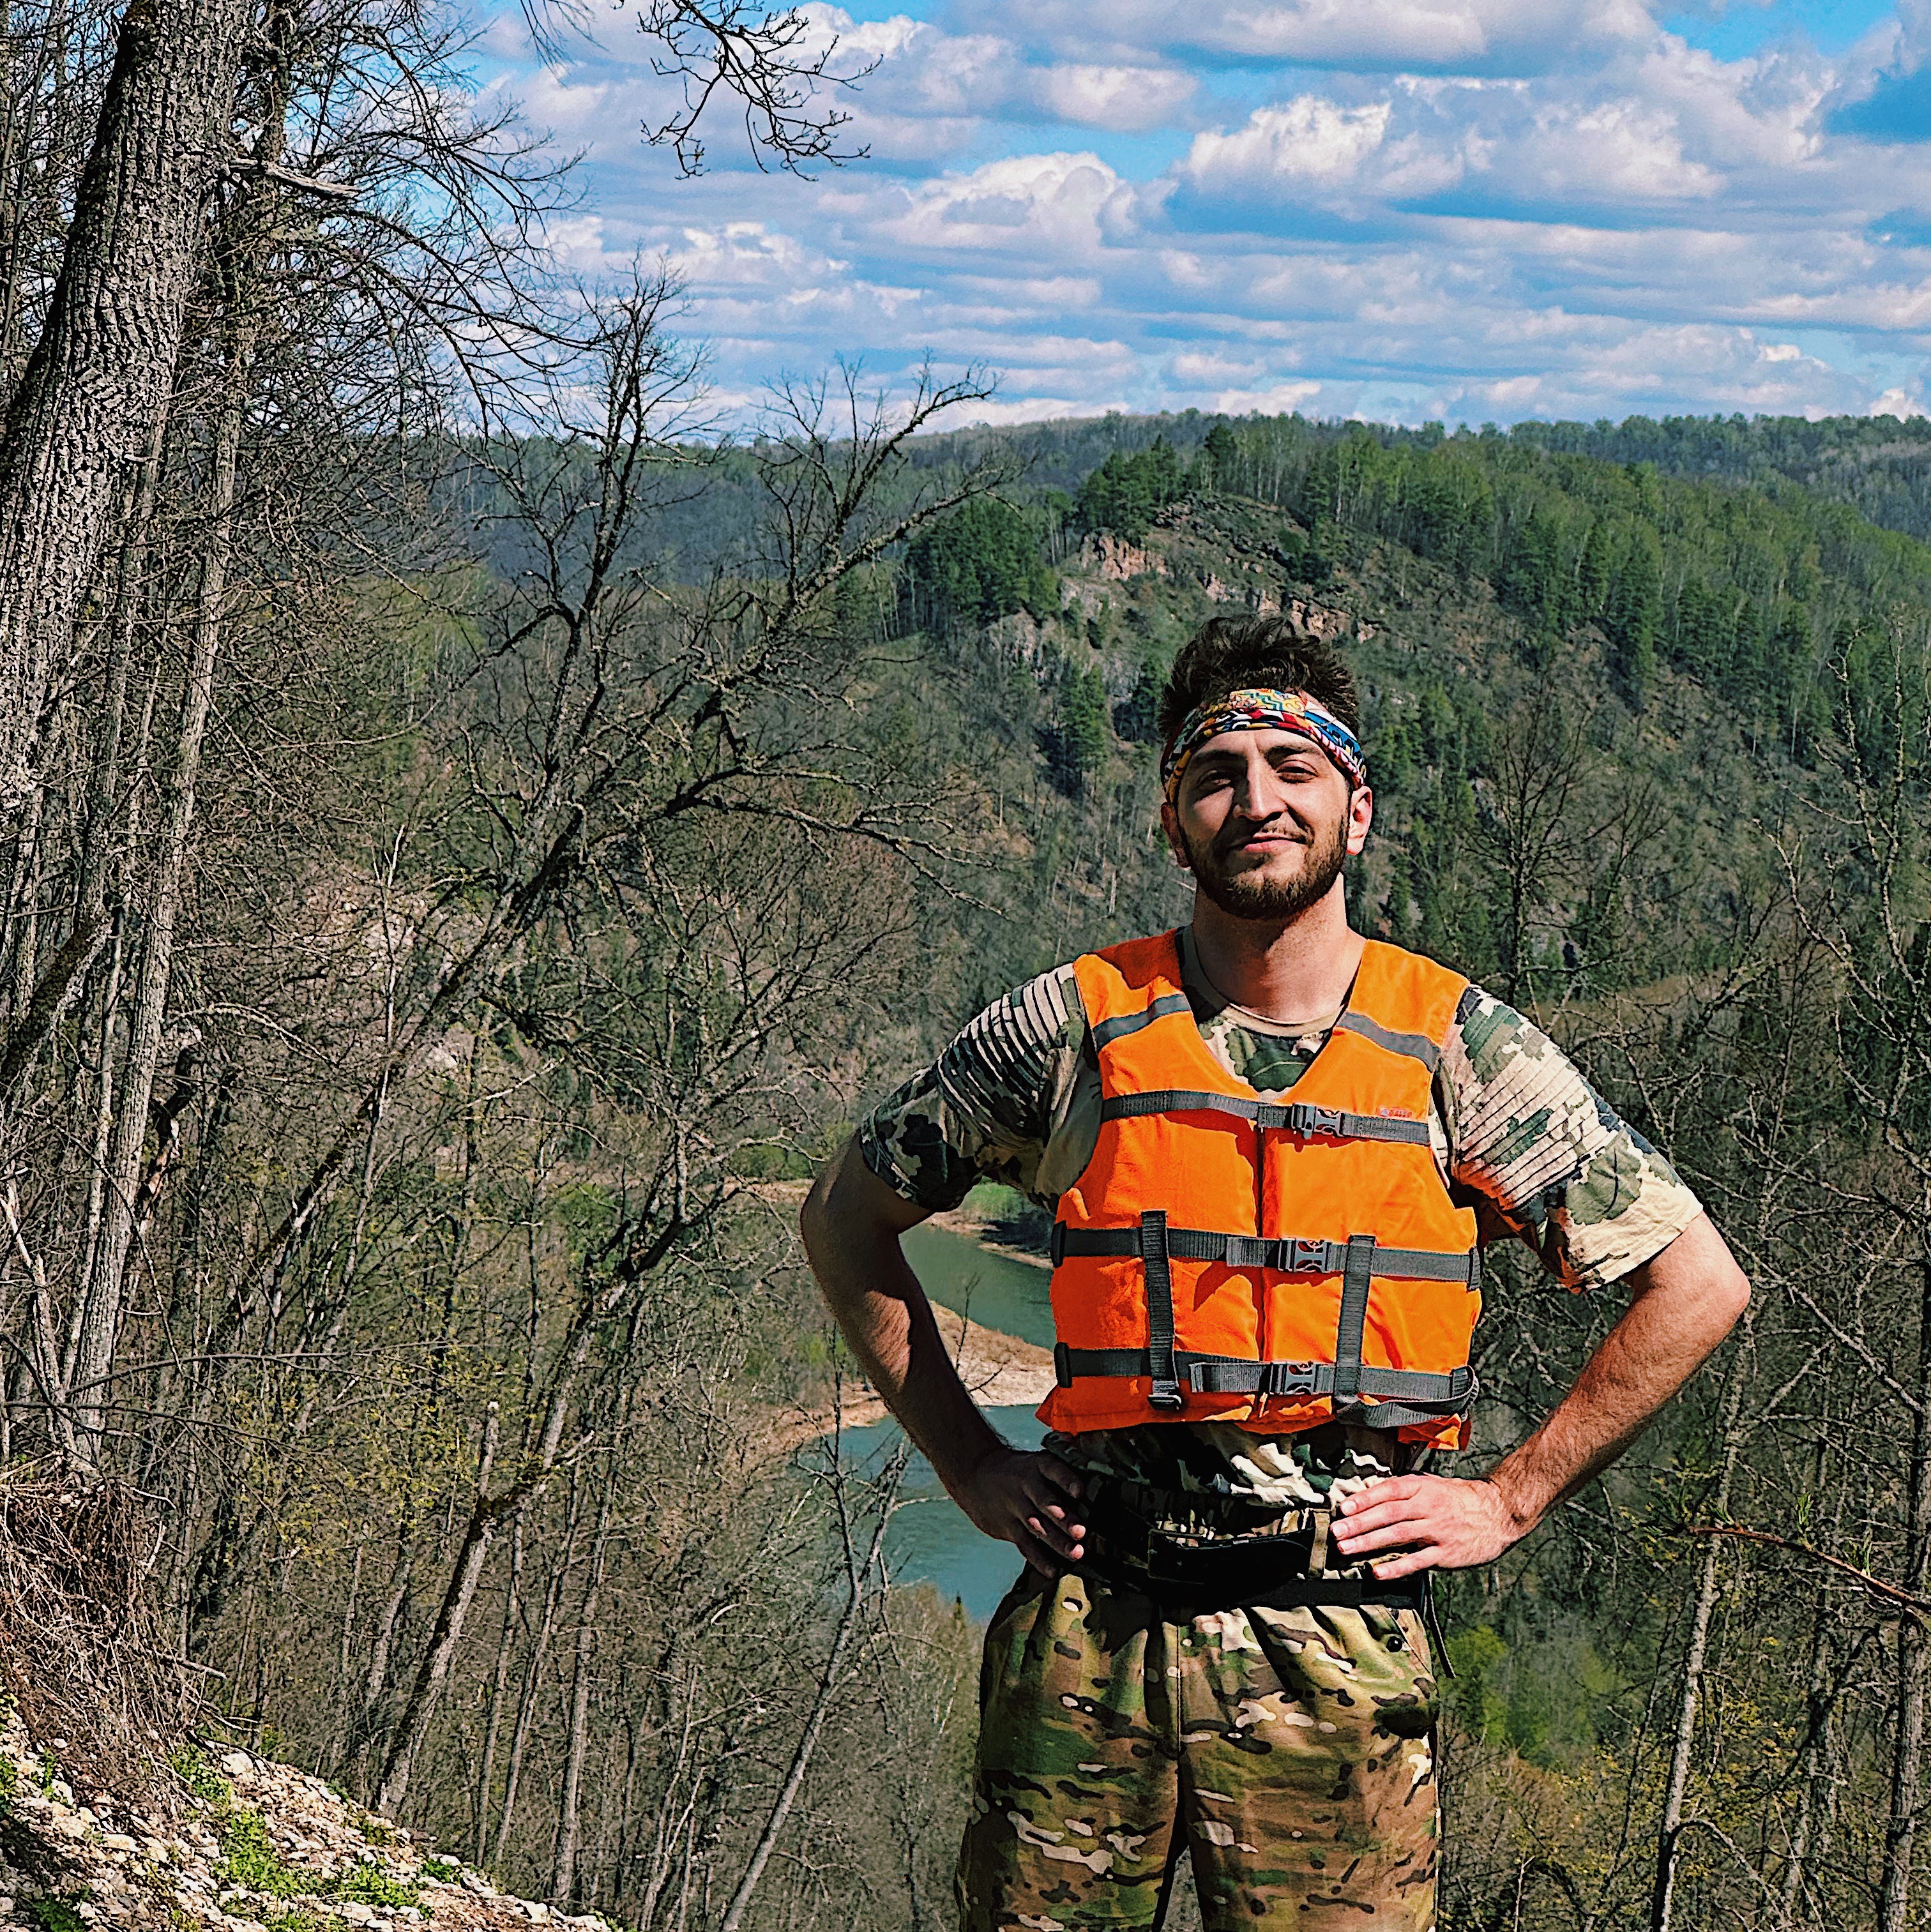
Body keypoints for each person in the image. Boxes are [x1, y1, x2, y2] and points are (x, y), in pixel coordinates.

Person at [801, 614, 1750, 1931]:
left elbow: (1698, 1281)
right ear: (1171, 820)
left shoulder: (1459, 1049)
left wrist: (1514, 1497)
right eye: (1217, 771)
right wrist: (969, 1460)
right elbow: (846, 1220)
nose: (1257, 798)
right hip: (1089, 1629)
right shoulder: (1068, 1030)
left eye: (1295, 768)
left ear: (1355, 810)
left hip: (1339, 1644)